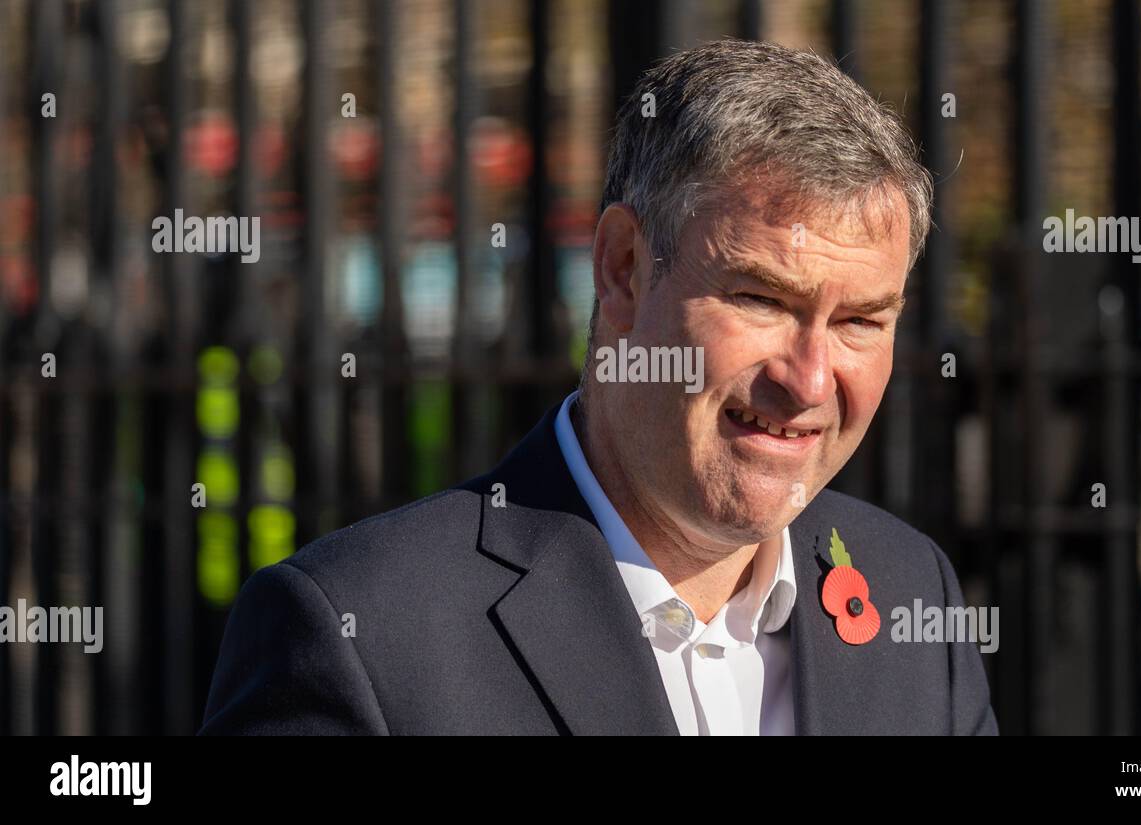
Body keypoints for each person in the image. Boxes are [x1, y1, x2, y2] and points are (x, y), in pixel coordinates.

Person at [200, 38, 997, 736]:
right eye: (762, 299)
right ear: (621, 268)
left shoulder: (906, 590)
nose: (811, 378)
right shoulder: (361, 632)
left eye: (861, 319)